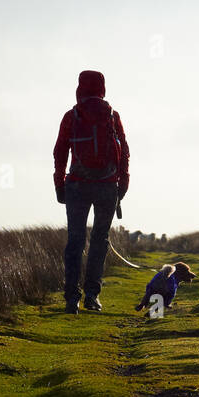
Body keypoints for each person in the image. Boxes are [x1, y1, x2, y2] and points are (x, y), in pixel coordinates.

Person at [53, 69, 129, 313]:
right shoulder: (112, 116)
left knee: (75, 241)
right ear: (102, 88)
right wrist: (123, 183)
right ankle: (92, 296)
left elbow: (59, 152)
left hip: (76, 184)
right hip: (107, 186)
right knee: (99, 240)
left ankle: (71, 299)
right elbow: (124, 151)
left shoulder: (71, 116)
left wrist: (59, 184)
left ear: (79, 88)